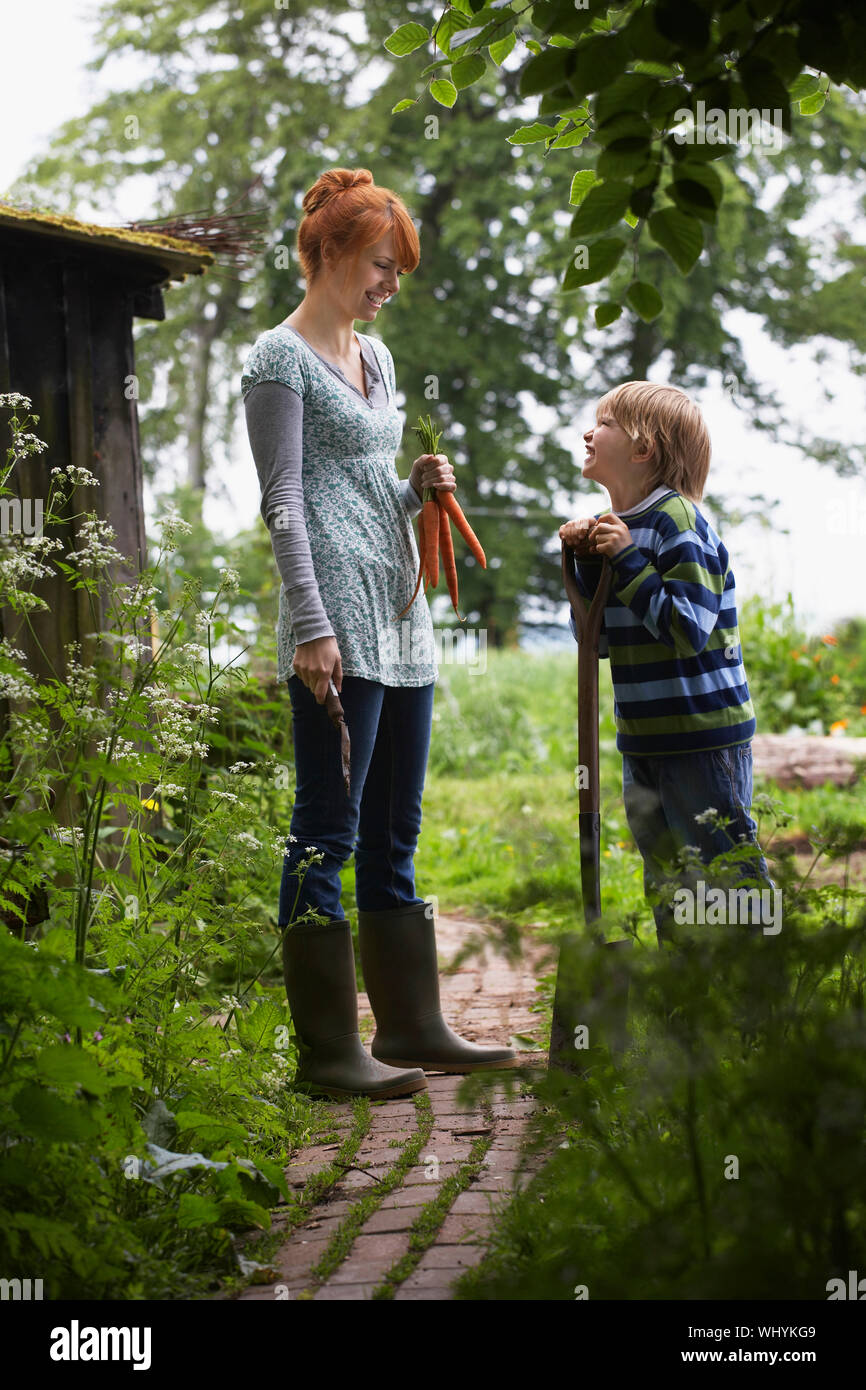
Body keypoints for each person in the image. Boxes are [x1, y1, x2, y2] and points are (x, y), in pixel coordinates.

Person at [240, 167, 516, 1099]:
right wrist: (310, 628)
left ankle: (411, 1027)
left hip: (402, 621)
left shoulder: (380, 358)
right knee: (327, 827)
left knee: (396, 829)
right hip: (335, 629)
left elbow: (364, 491)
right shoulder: (276, 362)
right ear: (326, 253)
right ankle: (326, 1054)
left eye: (399, 268)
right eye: (380, 263)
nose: (391, 281)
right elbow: (285, 501)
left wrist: (419, 489)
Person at [559, 382, 777, 947]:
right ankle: (691, 998)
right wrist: (587, 566)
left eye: (603, 422)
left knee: (721, 865)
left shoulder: (678, 521)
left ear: (642, 449)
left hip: (702, 735)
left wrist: (626, 557)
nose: (588, 432)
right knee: (670, 879)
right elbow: (596, 643)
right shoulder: (621, 527)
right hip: (645, 739)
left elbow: (688, 629)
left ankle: (760, 989)